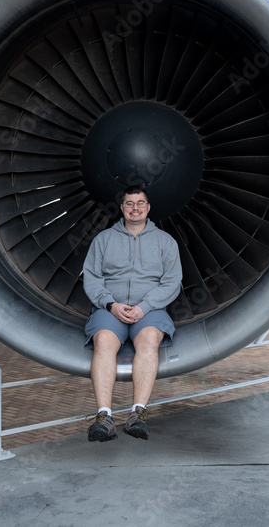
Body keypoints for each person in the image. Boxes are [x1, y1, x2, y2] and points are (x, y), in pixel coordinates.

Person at [82, 185, 182, 442]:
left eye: (140, 203)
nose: (135, 208)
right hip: (111, 308)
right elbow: (92, 280)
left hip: (150, 310)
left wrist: (145, 306)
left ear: (148, 208)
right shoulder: (103, 240)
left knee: (149, 341)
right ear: (123, 207)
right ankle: (104, 417)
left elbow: (172, 282)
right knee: (103, 342)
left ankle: (138, 414)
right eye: (129, 203)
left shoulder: (165, 242)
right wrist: (110, 304)